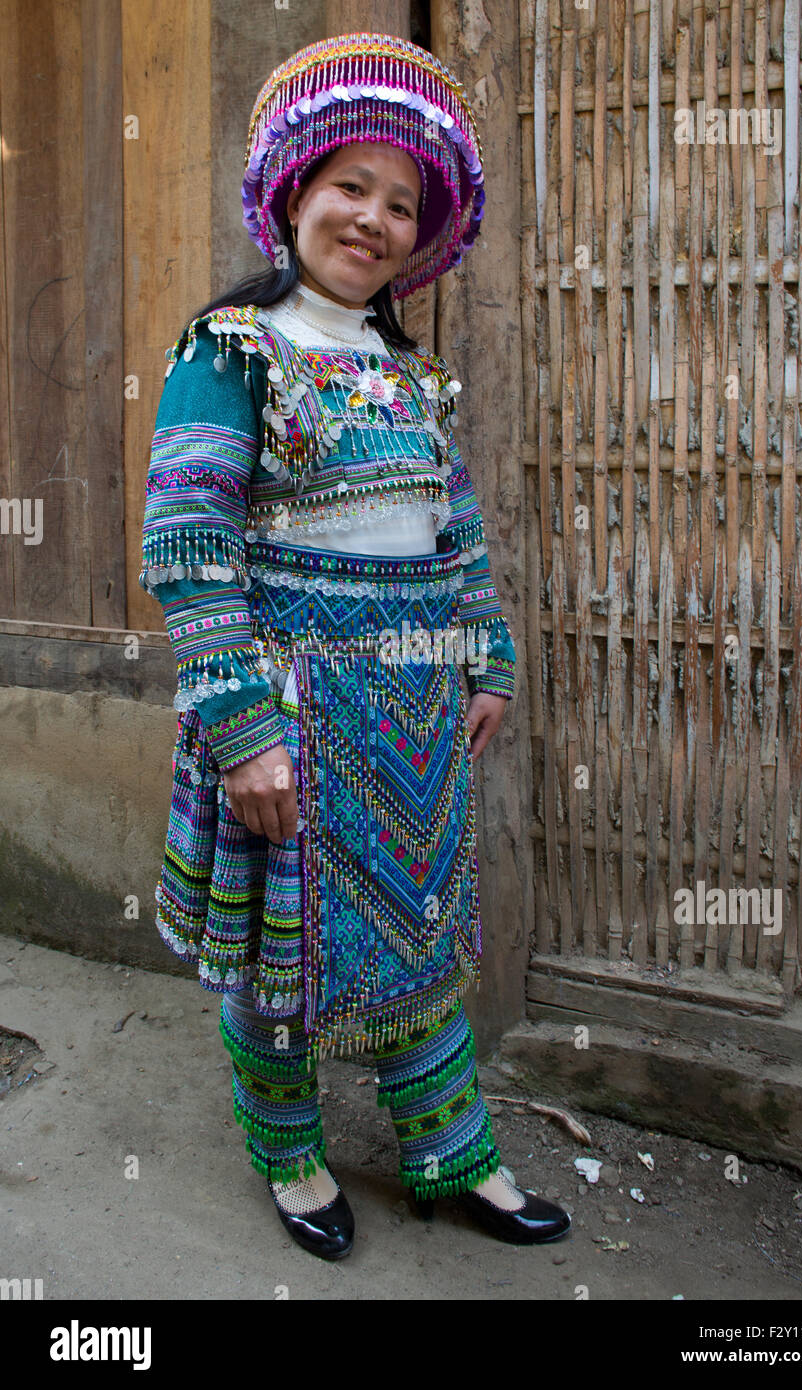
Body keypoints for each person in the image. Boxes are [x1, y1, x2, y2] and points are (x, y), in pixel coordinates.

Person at [139, 31, 570, 1261]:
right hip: (286, 718)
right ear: (292, 195)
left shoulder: (411, 375)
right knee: (287, 958)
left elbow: (455, 527)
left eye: (399, 203)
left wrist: (484, 654)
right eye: (349, 189)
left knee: (420, 941)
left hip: (414, 723)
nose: (371, 219)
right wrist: (240, 732)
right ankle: (288, 1151)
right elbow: (187, 546)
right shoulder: (227, 353)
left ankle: (451, 1149)